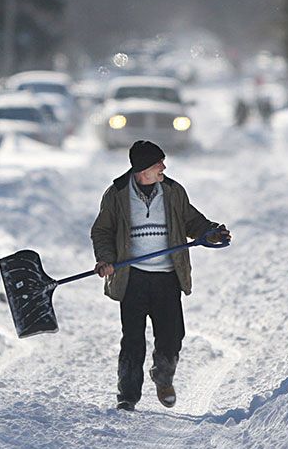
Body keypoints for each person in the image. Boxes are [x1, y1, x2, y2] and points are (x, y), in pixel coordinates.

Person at [92, 140, 230, 412]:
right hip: (132, 277)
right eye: (158, 164)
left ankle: (163, 376)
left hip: (167, 277)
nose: (163, 168)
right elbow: (103, 231)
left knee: (172, 335)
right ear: (143, 170)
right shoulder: (116, 194)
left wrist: (210, 231)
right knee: (132, 339)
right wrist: (105, 259)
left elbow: (191, 221)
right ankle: (127, 395)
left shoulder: (172, 191)